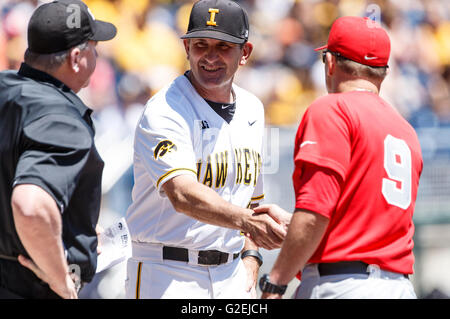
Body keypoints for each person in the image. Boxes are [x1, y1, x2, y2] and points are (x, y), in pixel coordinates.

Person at [125, 0, 290, 299]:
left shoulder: (253, 108)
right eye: (201, 44)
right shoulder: (165, 110)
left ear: (245, 53)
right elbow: (183, 195)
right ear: (187, 48)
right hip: (167, 271)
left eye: (223, 46)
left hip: (231, 273)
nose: (210, 56)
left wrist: (252, 256)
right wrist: (247, 222)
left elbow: (252, 198)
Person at [257, 16, 423, 299]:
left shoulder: (332, 109)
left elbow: (315, 211)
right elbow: (356, 220)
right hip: (399, 287)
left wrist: (276, 282)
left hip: (341, 286)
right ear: (382, 72)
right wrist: (293, 224)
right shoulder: (406, 130)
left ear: (331, 63)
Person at [0, 0, 116, 299]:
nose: (98, 54)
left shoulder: (6, 89)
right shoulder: (63, 120)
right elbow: (31, 206)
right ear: (76, 58)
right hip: (28, 286)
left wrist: (75, 230)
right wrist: (60, 279)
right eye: (94, 46)